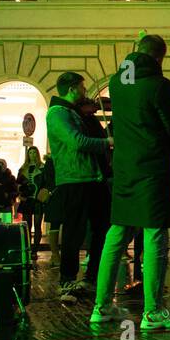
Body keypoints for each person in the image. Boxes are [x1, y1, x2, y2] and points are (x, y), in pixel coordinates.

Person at [91, 34, 170, 330]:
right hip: (151, 167)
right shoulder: (160, 85)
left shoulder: (118, 82)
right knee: (154, 234)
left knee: (117, 233)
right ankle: (152, 311)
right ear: (160, 58)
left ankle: (102, 305)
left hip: (124, 167)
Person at [46, 71, 112, 303]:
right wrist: (108, 142)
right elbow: (77, 142)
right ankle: (67, 279)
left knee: (102, 228)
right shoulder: (57, 113)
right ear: (73, 88)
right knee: (74, 232)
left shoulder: (75, 112)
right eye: (83, 88)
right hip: (74, 180)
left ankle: (92, 277)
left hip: (93, 178)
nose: (86, 93)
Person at [15, 146, 47, 250]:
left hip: (38, 199)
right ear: (28, 155)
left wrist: (44, 195)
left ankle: (35, 249)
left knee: (37, 225)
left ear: (37, 154)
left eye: (34, 153)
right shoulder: (23, 168)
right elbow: (17, 183)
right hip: (27, 199)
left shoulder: (42, 167)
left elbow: (46, 183)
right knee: (26, 225)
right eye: (30, 153)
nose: (32, 155)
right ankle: (28, 247)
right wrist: (20, 194)